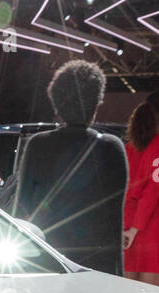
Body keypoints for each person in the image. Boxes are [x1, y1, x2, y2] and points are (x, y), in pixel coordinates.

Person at [12, 59, 127, 276]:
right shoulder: (111, 147)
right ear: (95, 102)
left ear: (57, 101)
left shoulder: (38, 145)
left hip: (47, 262)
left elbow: (22, 211)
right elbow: (115, 223)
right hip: (98, 269)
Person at [122, 91, 159, 285]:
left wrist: (131, 228)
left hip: (128, 222)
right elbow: (154, 189)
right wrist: (136, 228)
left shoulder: (131, 146)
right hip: (152, 225)